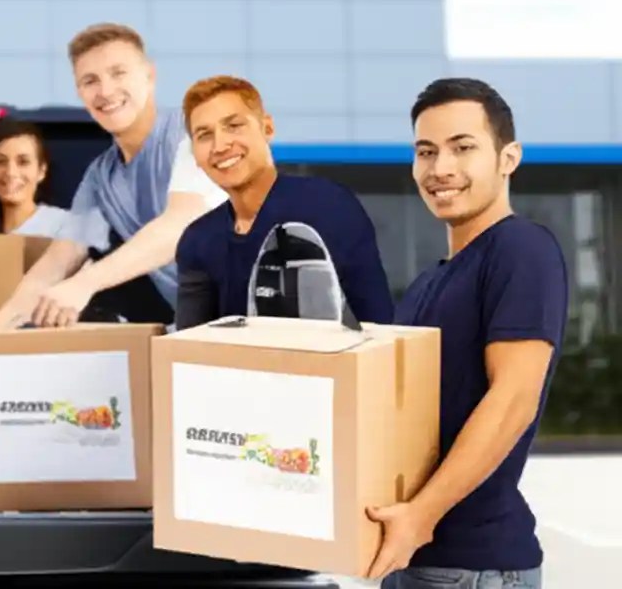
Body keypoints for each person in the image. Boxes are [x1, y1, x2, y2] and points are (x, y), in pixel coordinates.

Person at [368, 78, 566, 588]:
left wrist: (421, 516)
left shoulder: (521, 249)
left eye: (462, 147)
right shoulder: (428, 283)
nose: (440, 168)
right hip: (410, 554)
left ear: (508, 158)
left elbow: (513, 399)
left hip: (473, 566)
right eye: (426, 152)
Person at [0, 23, 228, 329]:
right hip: (196, 328)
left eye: (118, 73)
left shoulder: (193, 132)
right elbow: (56, 263)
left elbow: (180, 227)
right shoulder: (101, 178)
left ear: (149, 76)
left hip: (255, 319)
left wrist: (83, 284)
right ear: (80, 92)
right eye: (90, 81)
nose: (105, 91)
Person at [173, 75, 394, 328]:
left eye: (233, 126)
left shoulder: (327, 206)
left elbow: (380, 327)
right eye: (204, 135)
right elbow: (187, 343)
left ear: (267, 128)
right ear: (195, 154)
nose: (220, 145)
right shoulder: (198, 241)